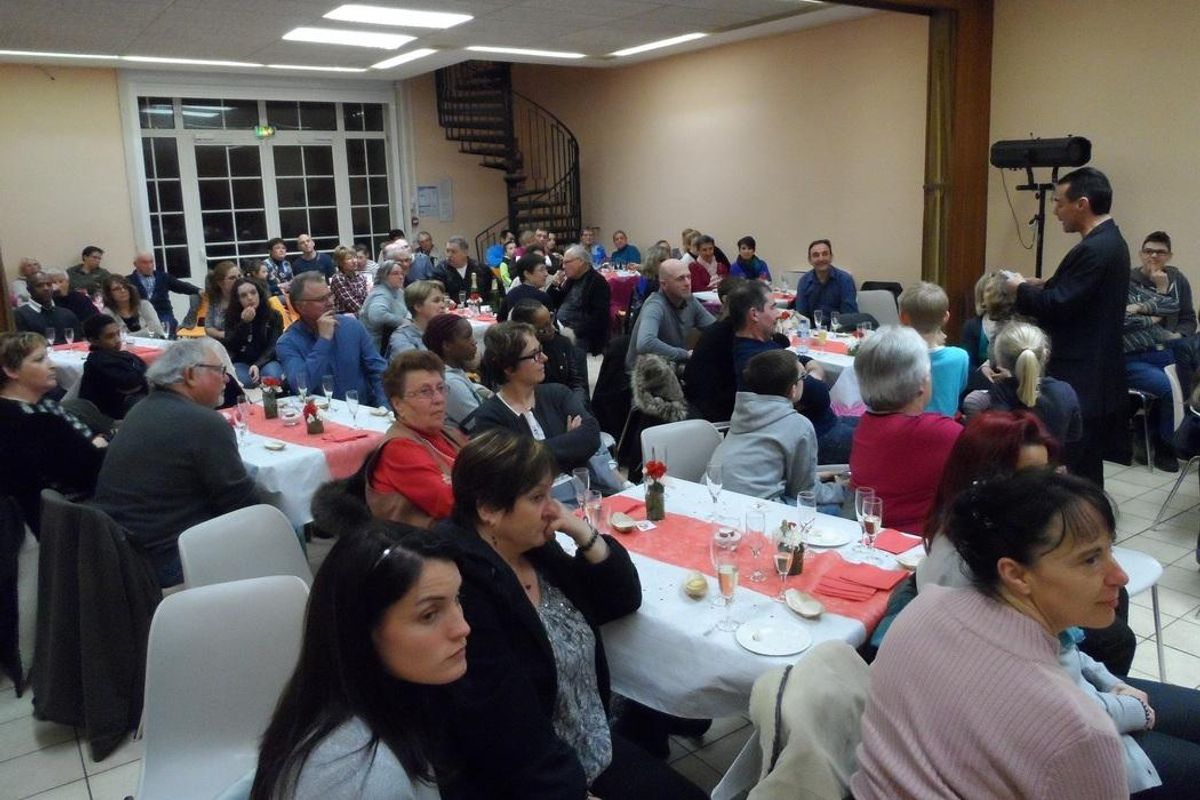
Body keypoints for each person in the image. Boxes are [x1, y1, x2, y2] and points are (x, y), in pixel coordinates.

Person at [853, 470, 1200, 800]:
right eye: (1090, 559)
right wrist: (1133, 709)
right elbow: (1062, 723)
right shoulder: (1079, 731)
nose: (1120, 576)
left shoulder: (928, 606)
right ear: (1016, 574)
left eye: (1109, 550)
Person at [431, 429, 707, 800]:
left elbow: (622, 599)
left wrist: (582, 532)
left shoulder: (533, 551)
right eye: (537, 497)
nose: (552, 509)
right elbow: (502, 730)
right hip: (538, 775)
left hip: (590, 738)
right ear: (488, 509)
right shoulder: (465, 591)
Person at [250, 524, 469, 800]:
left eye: (457, 599)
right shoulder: (364, 781)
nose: (462, 627)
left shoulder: (377, 702)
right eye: (429, 615)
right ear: (361, 631)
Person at [914, 411, 1135, 677]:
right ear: (982, 481)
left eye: (1049, 475)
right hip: (1008, 669)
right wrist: (1115, 695)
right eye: (1029, 479)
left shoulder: (995, 523)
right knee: (1116, 639)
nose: (1046, 490)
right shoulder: (968, 558)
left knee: (1116, 596)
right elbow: (1036, 667)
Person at [92, 339, 258, 587]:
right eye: (220, 370)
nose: (226, 379)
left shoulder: (140, 410)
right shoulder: (204, 422)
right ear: (190, 375)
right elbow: (242, 504)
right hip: (164, 559)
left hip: (120, 550)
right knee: (276, 525)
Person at [1007, 166, 1130, 487]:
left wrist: (1020, 289)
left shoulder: (1094, 249)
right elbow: (1081, 295)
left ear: (1082, 204)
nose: (1055, 211)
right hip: (1095, 372)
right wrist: (1046, 284)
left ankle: (1078, 517)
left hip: (1081, 375)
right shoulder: (1109, 241)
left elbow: (1058, 306)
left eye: (1059, 203)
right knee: (1085, 470)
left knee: (1075, 472)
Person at [729, 281, 856, 463]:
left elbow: (803, 360)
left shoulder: (764, 345)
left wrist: (804, 374)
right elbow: (820, 394)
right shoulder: (757, 359)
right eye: (773, 307)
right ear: (754, 314)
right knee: (884, 439)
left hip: (822, 423)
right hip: (811, 439)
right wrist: (811, 375)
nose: (778, 314)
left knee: (880, 422)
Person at [849, 326, 962, 531]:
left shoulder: (867, 424)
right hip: (916, 541)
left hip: (869, 532)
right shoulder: (938, 433)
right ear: (921, 383)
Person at [0, 332, 106, 534]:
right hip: (66, 521)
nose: (52, 365)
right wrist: (100, 444)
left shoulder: (41, 406)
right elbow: (90, 473)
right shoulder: (33, 423)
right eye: (40, 360)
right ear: (11, 371)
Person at [713, 350, 844, 508]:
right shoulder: (799, 425)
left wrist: (817, 477)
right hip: (758, 509)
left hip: (712, 497)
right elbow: (803, 492)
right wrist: (842, 490)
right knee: (837, 509)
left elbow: (756, 470)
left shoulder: (742, 414)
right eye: (803, 377)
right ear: (793, 390)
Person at [471, 322, 601, 476]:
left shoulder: (558, 394)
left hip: (580, 486)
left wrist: (531, 451)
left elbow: (592, 435)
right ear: (509, 367)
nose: (544, 358)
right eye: (535, 355)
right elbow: (512, 467)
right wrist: (569, 442)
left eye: (541, 350)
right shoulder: (489, 417)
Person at [366, 351, 467, 528]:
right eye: (425, 392)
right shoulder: (398, 448)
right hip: (427, 541)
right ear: (398, 404)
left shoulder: (448, 433)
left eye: (441, 388)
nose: (439, 399)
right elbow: (450, 503)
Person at [962, 321, 1083, 446]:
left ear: (1000, 361)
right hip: (1052, 457)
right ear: (1046, 355)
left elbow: (997, 436)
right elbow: (1074, 435)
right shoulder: (1064, 391)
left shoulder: (1001, 392)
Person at [277, 272, 387, 405]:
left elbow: (378, 370)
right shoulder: (288, 342)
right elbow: (301, 387)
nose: (330, 302)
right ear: (300, 307)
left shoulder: (352, 326)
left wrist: (384, 406)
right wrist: (324, 341)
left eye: (330, 295)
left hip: (363, 409)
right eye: (321, 299)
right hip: (322, 414)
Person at [1123, 277, 1183, 472]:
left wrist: (1140, 306)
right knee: (1169, 388)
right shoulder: (1110, 293)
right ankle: (1166, 447)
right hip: (1132, 358)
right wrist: (1154, 315)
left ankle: (1178, 438)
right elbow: (1122, 321)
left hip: (1161, 352)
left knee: (1190, 378)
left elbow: (1172, 305)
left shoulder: (1133, 289)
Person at [625, 258, 714, 371]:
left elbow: (715, 328)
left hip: (671, 367)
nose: (687, 283)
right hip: (645, 375)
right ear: (664, 284)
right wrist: (684, 354)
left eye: (689, 277)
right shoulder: (655, 305)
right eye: (680, 279)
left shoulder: (689, 300)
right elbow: (645, 343)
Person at [898, 281, 968, 416]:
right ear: (946, 317)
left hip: (907, 424)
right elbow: (959, 388)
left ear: (904, 318)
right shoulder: (960, 356)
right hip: (945, 424)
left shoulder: (895, 357)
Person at [510, 300, 588, 406]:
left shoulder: (562, 343)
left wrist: (576, 407)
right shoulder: (517, 353)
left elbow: (577, 383)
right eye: (544, 328)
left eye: (551, 320)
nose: (553, 328)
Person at [422, 314, 488, 431]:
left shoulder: (453, 370)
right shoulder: (450, 382)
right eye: (467, 337)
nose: (474, 342)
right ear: (447, 345)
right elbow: (483, 426)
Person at [79, 314, 149, 420]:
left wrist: (141, 378)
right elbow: (129, 382)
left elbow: (146, 371)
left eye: (118, 334)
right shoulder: (97, 361)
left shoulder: (124, 355)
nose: (117, 340)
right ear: (94, 340)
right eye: (110, 336)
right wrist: (142, 377)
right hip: (108, 415)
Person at [547, 244, 611, 356]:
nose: (563, 266)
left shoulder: (598, 282)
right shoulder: (571, 279)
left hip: (581, 334)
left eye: (566, 262)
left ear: (581, 261)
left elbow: (599, 316)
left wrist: (575, 332)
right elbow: (549, 302)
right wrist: (554, 285)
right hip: (559, 327)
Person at [222, 277, 284, 388]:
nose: (250, 298)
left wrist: (257, 364)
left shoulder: (274, 315)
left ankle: (261, 378)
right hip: (242, 361)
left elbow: (274, 345)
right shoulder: (231, 316)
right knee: (244, 382)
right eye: (243, 295)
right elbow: (231, 345)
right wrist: (244, 323)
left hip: (266, 360)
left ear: (259, 294)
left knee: (273, 378)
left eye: (253, 292)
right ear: (238, 300)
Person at [1131, 231, 1194, 337]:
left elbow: (1188, 318)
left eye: (1160, 252)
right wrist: (1161, 289)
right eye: (1148, 251)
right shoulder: (1128, 281)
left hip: (1173, 342)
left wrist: (1176, 336)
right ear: (1140, 255)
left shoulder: (1178, 279)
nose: (1154, 255)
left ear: (1169, 256)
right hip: (1140, 343)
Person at [127, 251, 200, 335]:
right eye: (144, 263)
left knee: (168, 325)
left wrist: (198, 290)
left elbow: (181, 286)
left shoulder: (163, 277)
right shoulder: (128, 281)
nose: (149, 266)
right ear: (135, 264)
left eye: (151, 262)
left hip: (163, 314)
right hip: (141, 316)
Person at [794, 239, 858, 320]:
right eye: (816, 255)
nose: (821, 259)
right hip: (812, 327)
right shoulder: (804, 282)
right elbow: (802, 316)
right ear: (810, 260)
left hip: (840, 327)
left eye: (825, 254)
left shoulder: (845, 280)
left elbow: (850, 315)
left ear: (831, 257)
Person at [360, 256, 412, 353]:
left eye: (402, 273)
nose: (401, 277)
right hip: (378, 347)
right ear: (384, 276)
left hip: (396, 339)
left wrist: (408, 319)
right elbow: (376, 316)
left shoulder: (398, 291)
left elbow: (407, 308)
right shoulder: (381, 293)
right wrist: (403, 321)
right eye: (395, 273)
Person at [14, 272, 81, 345]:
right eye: (39, 285)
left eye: (49, 285)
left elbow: (78, 342)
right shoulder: (19, 315)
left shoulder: (67, 314)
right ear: (29, 289)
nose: (46, 288)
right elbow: (23, 346)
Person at [388, 280, 447, 357]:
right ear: (418, 306)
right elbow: (416, 363)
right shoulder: (402, 338)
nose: (443, 305)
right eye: (436, 301)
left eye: (443, 300)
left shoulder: (445, 331)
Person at [101, 274, 166, 338]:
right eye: (117, 289)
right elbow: (116, 338)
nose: (123, 290)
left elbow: (157, 330)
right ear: (109, 294)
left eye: (125, 287)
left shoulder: (144, 305)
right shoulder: (107, 313)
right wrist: (146, 331)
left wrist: (128, 336)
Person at [432, 236, 491, 301]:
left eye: (453, 252)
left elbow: (493, 292)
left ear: (465, 253)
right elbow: (436, 295)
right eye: (447, 251)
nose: (449, 255)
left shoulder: (482, 269)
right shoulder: (440, 271)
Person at [498, 253, 552, 322]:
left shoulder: (511, 293)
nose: (546, 274)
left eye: (546, 269)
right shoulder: (543, 297)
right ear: (527, 273)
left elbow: (500, 319)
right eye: (541, 270)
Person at [203, 261, 242, 341]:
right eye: (232, 278)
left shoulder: (245, 298)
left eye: (239, 276)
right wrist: (223, 335)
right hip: (219, 342)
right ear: (220, 283)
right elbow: (208, 327)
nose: (238, 280)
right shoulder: (215, 300)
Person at [330, 246, 369, 315]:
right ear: (340, 262)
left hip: (362, 313)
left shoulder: (360, 276)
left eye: (355, 257)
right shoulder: (338, 278)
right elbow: (350, 303)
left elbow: (366, 298)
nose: (354, 261)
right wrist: (367, 314)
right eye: (349, 258)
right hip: (344, 315)